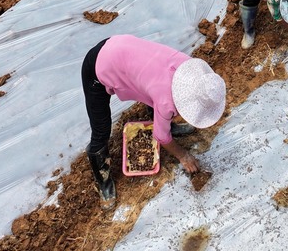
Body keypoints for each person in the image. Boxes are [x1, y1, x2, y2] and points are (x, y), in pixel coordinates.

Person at [80, 34, 226, 205]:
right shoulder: (166, 100)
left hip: (123, 48)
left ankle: (167, 124)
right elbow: (160, 137)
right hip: (97, 68)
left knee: (152, 93)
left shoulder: (187, 68)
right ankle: (103, 181)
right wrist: (183, 156)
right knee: (101, 130)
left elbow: (157, 85)